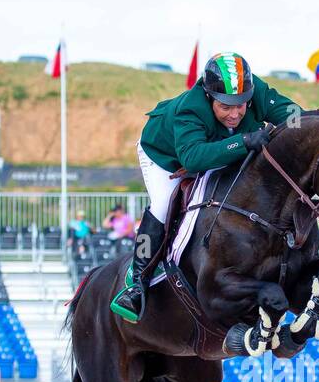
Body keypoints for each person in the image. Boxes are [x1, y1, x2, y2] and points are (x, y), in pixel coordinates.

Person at [111, 51, 304, 322]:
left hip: (220, 146)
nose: (236, 113)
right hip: (166, 156)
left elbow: (292, 113)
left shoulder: (253, 90)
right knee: (163, 205)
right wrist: (243, 141)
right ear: (209, 95)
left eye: (241, 105)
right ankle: (137, 280)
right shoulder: (190, 108)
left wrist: (308, 127)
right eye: (226, 106)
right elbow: (194, 158)